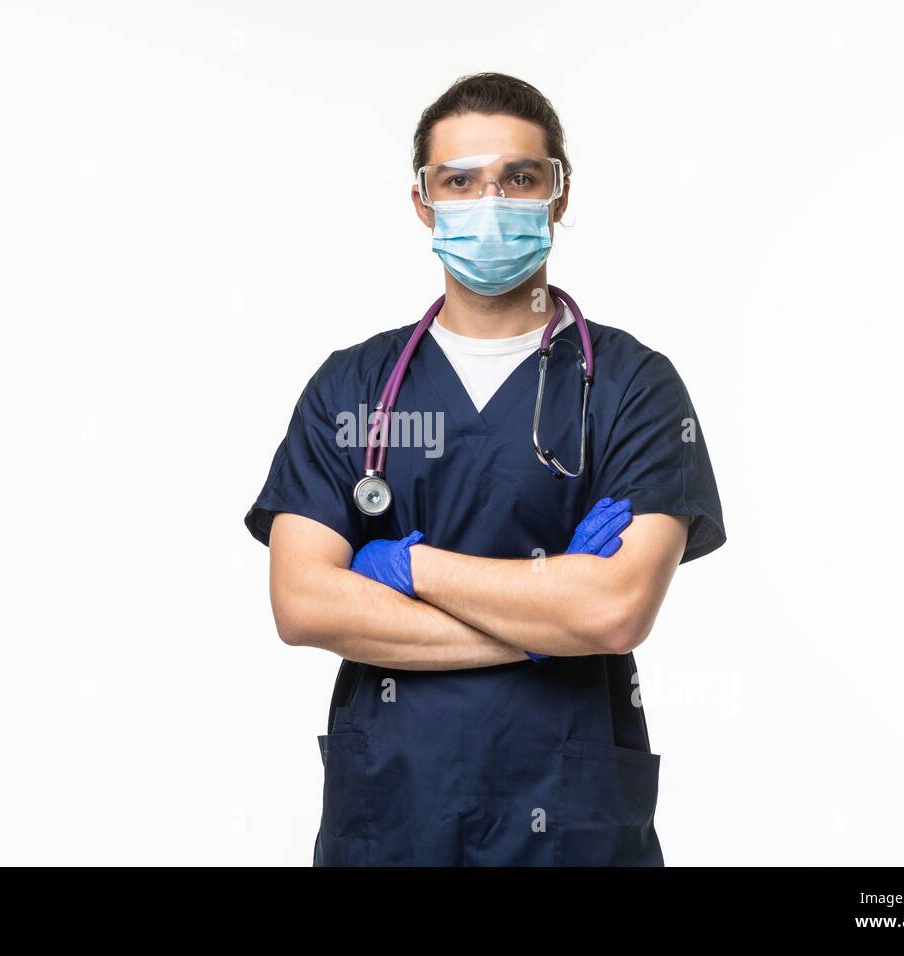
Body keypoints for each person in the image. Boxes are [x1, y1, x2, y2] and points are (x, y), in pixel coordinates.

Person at [244, 73, 725, 866]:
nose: (489, 202)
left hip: (570, 820)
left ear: (559, 196)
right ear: (422, 202)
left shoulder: (633, 385)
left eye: (519, 178)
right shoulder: (354, 387)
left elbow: (613, 613)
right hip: (396, 811)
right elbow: (302, 603)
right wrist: (544, 623)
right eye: (460, 182)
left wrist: (406, 566)